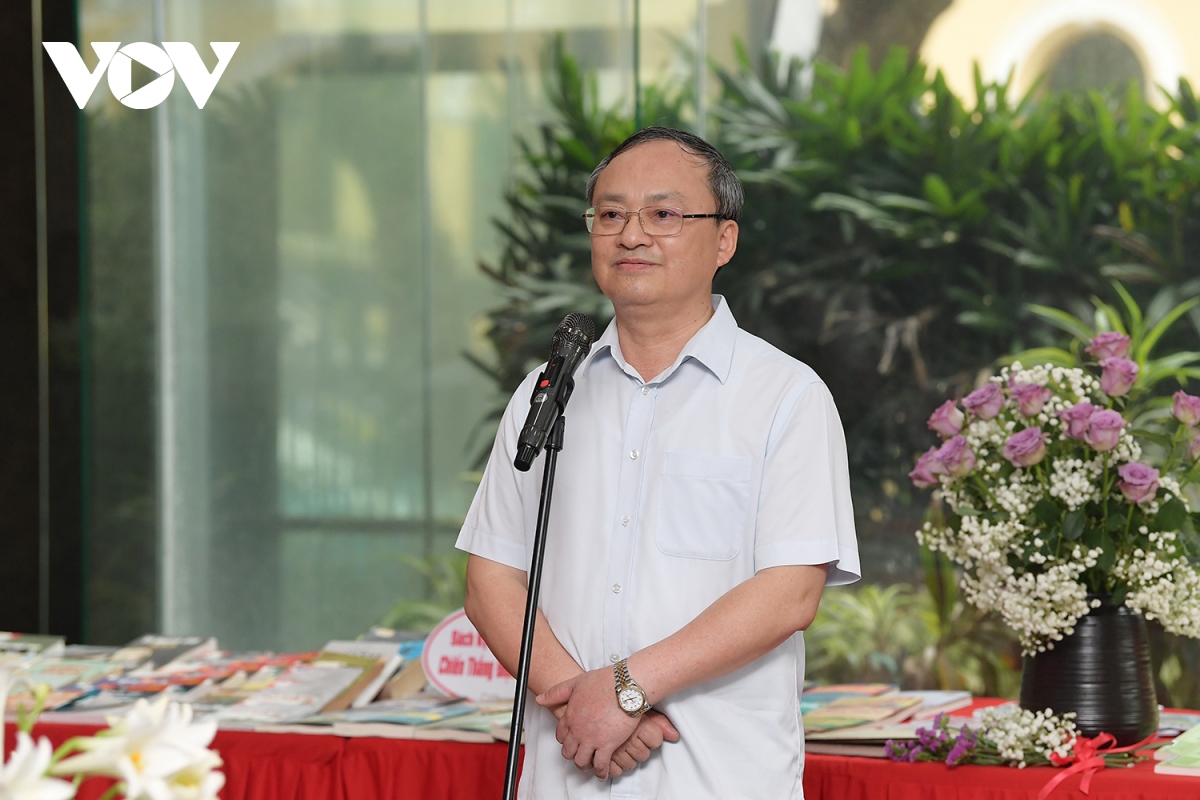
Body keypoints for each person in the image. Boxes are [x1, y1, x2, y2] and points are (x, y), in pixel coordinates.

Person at [457, 126, 860, 799]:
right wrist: (580, 701)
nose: (631, 235)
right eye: (610, 214)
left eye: (664, 214)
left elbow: (789, 594)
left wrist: (624, 690)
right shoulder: (549, 392)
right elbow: (490, 579)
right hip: (567, 776)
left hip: (719, 779)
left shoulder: (784, 396)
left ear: (724, 240)